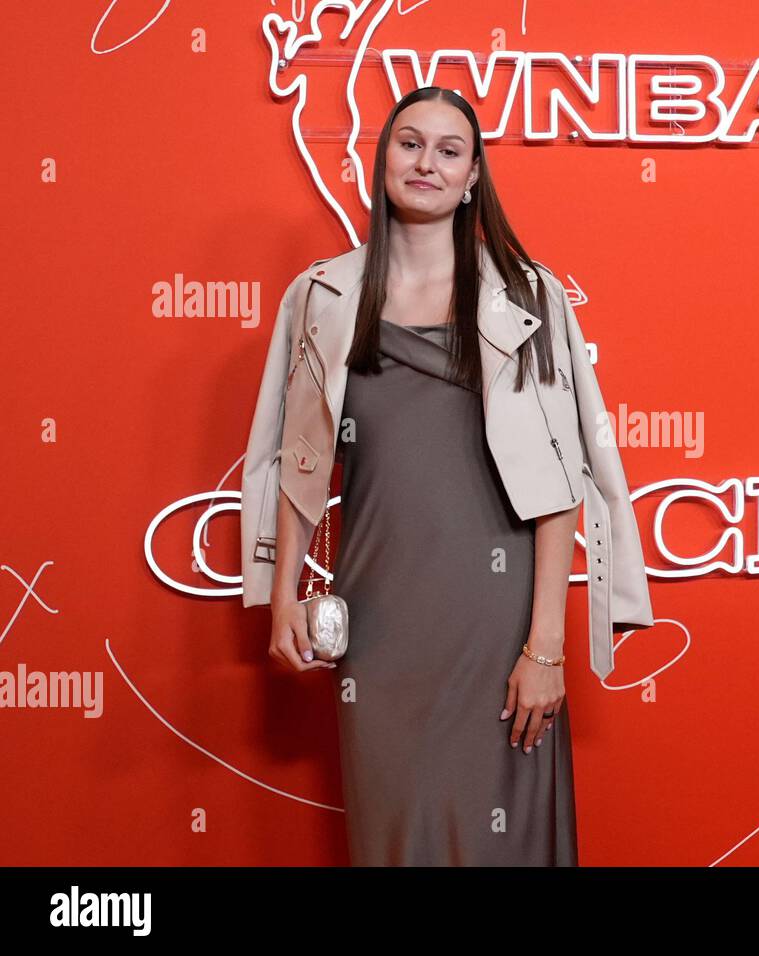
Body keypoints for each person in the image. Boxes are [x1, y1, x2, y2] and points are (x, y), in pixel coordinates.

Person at [245, 85, 653, 865]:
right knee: (397, 833)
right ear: (382, 159)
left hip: (494, 617)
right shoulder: (323, 295)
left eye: (448, 149)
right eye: (409, 143)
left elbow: (558, 486)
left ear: (473, 178)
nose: (425, 162)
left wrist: (545, 648)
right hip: (381, 617)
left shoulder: (526, 297)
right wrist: (285, 596)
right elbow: (296, 460)